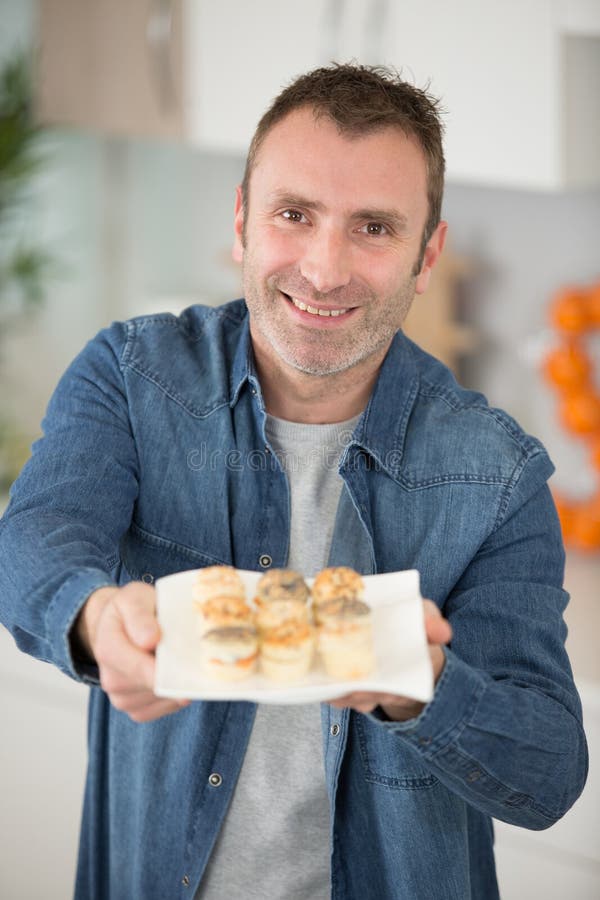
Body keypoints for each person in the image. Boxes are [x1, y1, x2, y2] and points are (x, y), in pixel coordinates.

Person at [0, 63, 588, 900]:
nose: (323, 268)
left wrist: (419, 689)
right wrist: (95, 619)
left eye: (374, 228)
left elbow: (551, 773)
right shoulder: (130, 378)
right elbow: (31, 541)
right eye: (293, 214)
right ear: (242, 220)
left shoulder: (499, 476)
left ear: (428, 255)